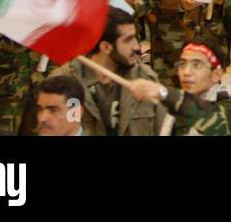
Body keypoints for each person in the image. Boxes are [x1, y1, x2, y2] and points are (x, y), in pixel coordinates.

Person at [51, 9, 169, 137]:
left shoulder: (145, 78)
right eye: (128, 40)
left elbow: (165, 128)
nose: (136, 47)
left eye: (135, 37)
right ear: (106, 47)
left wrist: (163, 93)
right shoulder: (62, 83)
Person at [127, 40, 231, 136]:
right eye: (182, 64)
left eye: (197, 65)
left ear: (216, 75)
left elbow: (210, 119)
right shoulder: (172, 111)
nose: (186, 72)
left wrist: (163, 93)